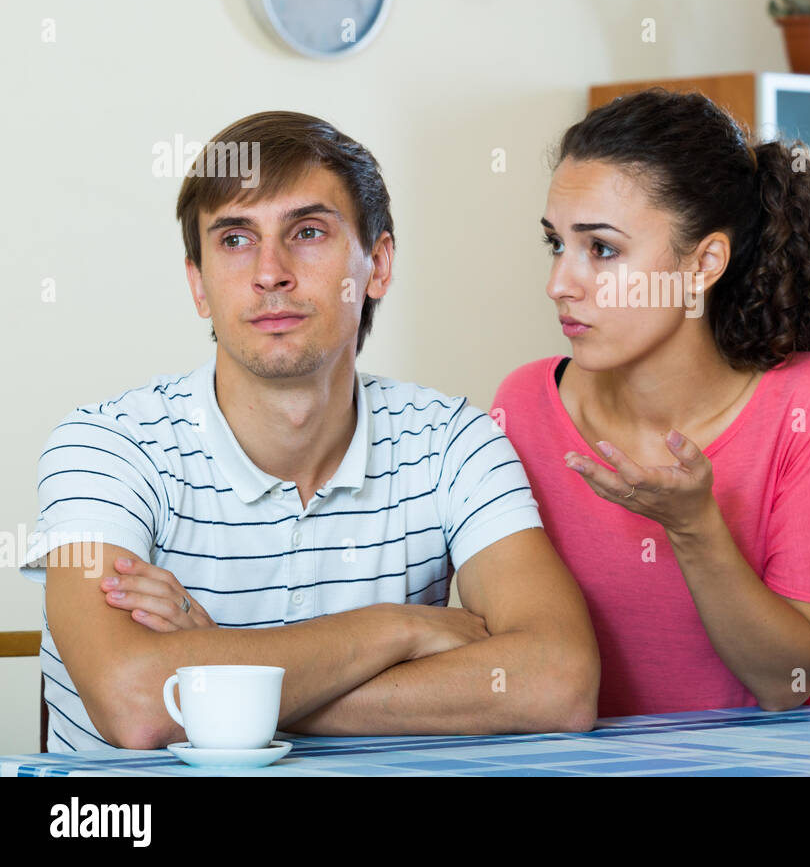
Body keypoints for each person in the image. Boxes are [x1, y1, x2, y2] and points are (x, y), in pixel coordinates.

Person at [22, 111, 600, 751]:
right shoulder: (104, 448)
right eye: (236, 240)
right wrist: (396, 630)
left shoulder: (454, 442)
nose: (270, 272)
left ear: (378, 265)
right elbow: (137, 705)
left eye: (308, 231)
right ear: (199, 285)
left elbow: (558, 681)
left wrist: (217, 669)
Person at [491, 88, 810, 717]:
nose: (559, 283)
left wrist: (693, 526)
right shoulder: (523, 404)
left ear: (703, 263)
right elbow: (512, 650)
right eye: (556, 244)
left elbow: (785, 682)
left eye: (602, 249)